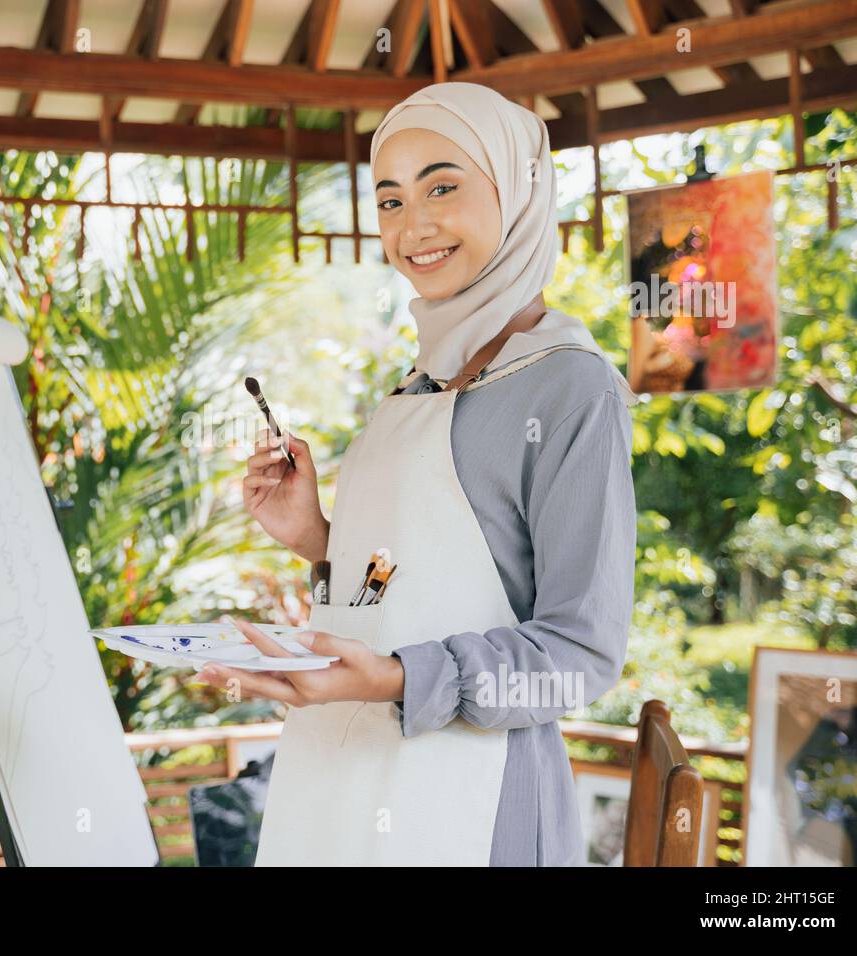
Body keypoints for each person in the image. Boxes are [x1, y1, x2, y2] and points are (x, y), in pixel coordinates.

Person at [193, 82, 638, 866]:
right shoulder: (416, 386)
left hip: (470, 797)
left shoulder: (571, 387)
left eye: (443, 186)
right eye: (390, 200)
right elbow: (397, 583)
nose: (414, 226)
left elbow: (578, 657)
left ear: (518, 191)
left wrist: (399, 680)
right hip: (337, 776)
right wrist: (317, 539)